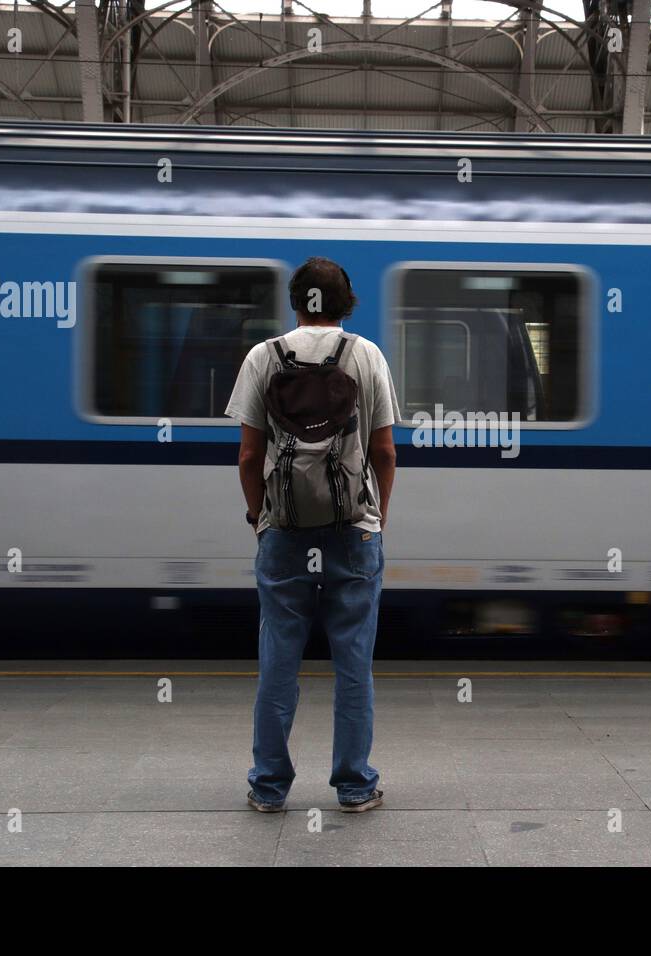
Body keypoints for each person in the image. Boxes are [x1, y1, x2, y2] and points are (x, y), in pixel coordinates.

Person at [225, 256, 398, 814]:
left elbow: (250, 457)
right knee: (353, 663)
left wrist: (260, 518)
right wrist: (379, 516)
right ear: (344, 303)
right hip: (354, 530)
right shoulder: (366, 355)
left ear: (297, 301)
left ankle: (269, 786)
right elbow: (385, 452)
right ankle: (353, 785)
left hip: (285, 530)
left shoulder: (263, 357)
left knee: (278, 658)